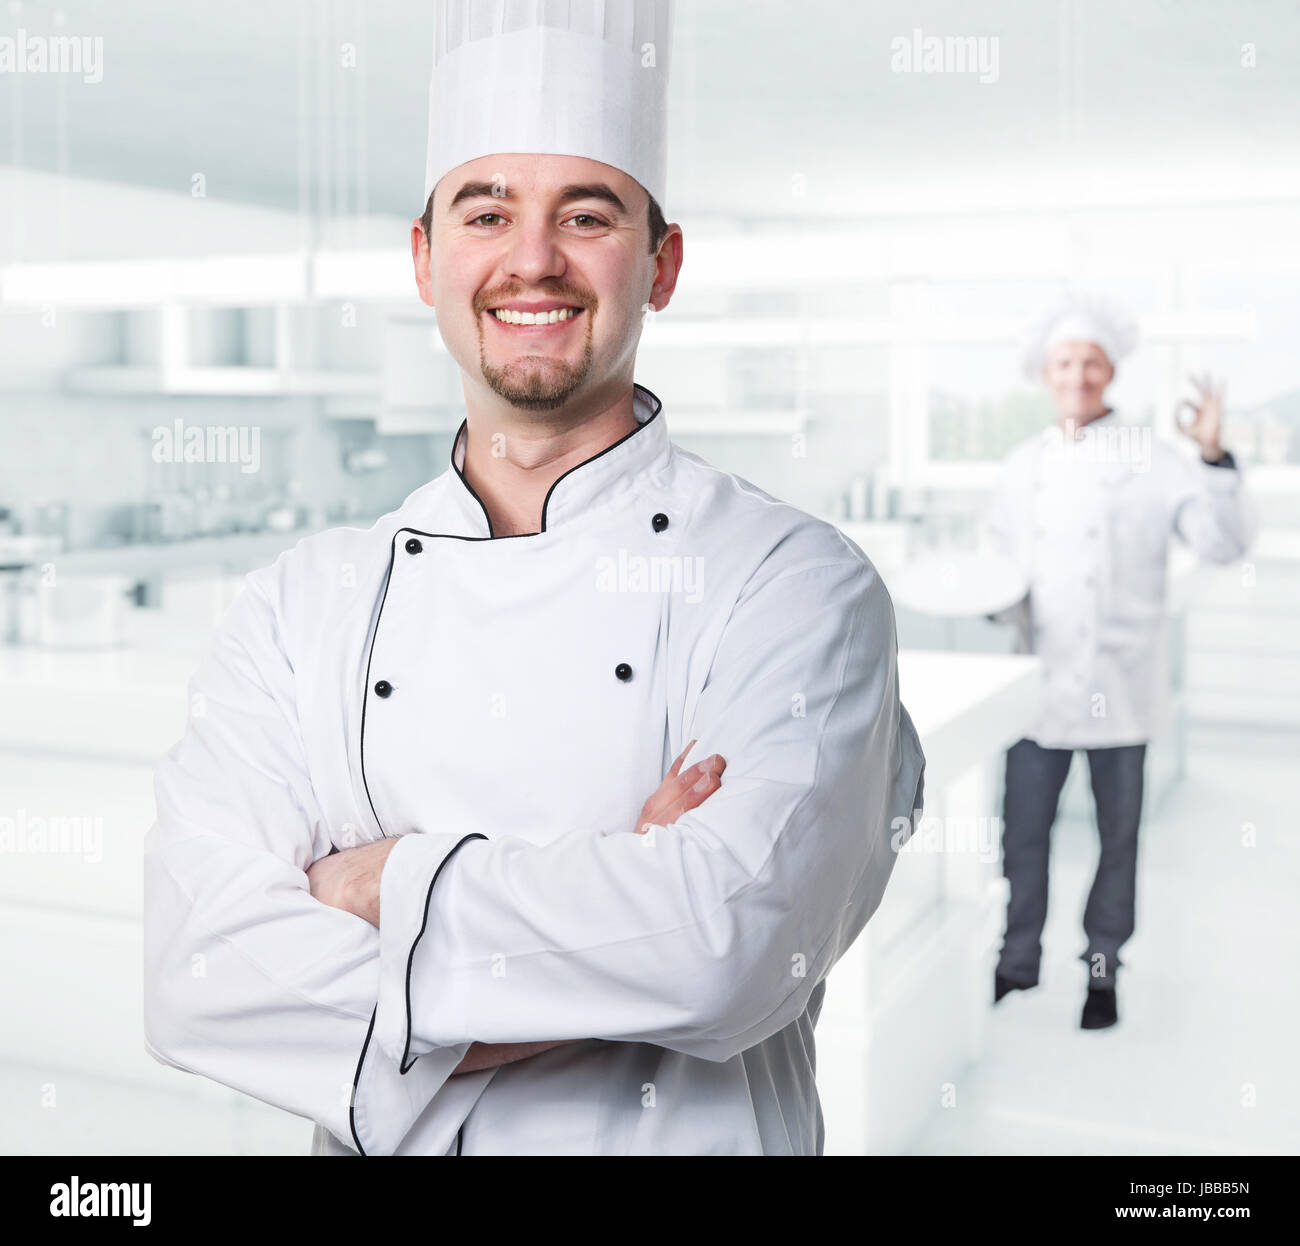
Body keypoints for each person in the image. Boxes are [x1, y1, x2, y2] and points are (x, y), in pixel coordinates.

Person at [142, 0, 926, 1155]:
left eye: (587, 213)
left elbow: (725, 949)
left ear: (659, 265)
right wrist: (623, 909)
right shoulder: (299, 607)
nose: (532, 260)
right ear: (425, 259)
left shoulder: (795, 586)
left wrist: (375, 888)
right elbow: (199, 975)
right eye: (487, 209)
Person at [987, 294, 1255, 1030]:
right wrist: (990, 596)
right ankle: (1017, 961)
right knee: (1024, 834)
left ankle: (1102, 971)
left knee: (1116, 840)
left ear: (1110, 372)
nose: (1078, 374)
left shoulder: (1157, 461)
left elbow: (1225, 544)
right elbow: (1001, 563)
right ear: (1047, 374)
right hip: (1037, 683)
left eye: (1091, 362)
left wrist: (1212, 456)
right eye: (1065, 362)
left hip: (1121, 685)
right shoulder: (1020, 467)